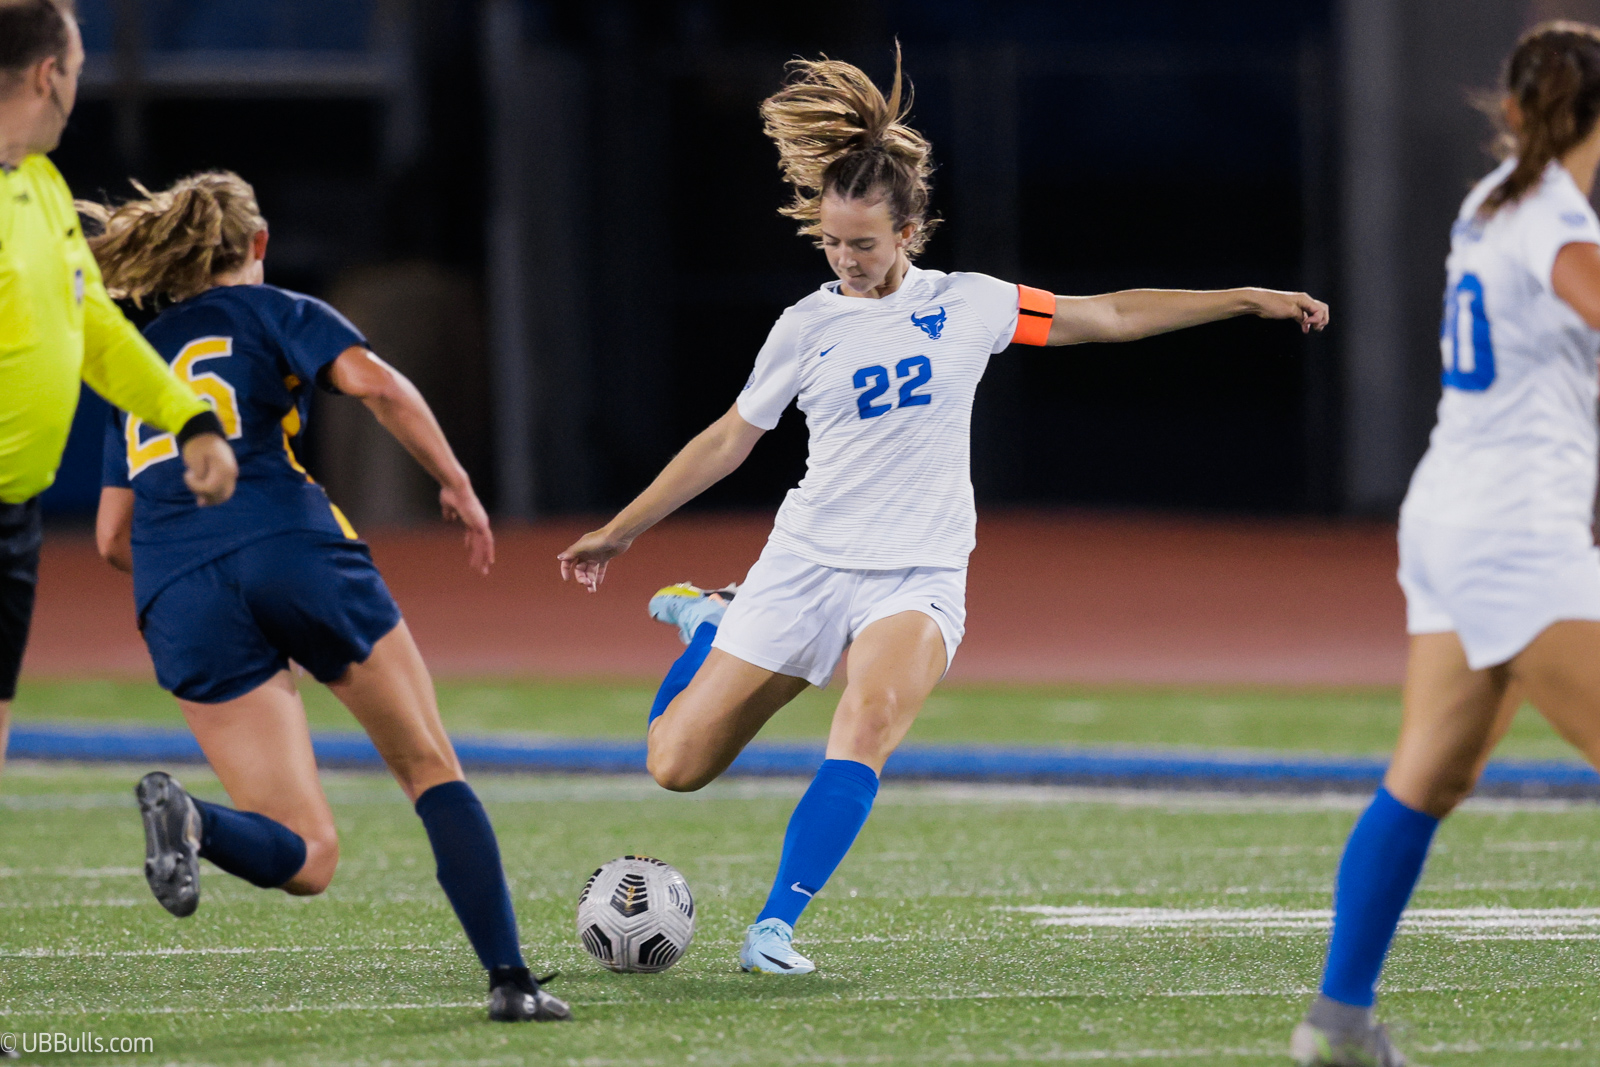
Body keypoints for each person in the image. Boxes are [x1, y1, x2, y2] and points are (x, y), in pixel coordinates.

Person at [558, 48, 1329, 976]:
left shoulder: (973, 307)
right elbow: (730, 438)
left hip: (916, 574)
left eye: (865, 243)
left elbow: (1112, 316)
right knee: (675, 765)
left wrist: (1243, 297)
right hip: (806, 563)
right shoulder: (805, 327)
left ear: (910, 230)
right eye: (833, 243)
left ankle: (775, 926)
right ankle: (706, 627)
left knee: (868, 719)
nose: (846, 259)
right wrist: (625, 526)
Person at [88, 171, 569, 1023]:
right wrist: (454, 481)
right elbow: (377, 384)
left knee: (307, 855)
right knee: (429, 766)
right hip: (290, 544)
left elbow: (110, 538)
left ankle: (192, 817)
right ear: (258, 245)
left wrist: (207, 578)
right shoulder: (278, 310)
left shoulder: (138, 355)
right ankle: (510, 979)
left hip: (177, 589)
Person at [1290, 21, 1600, 1067]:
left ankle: (1336, 1022)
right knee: (1428, 771)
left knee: (1430, 771)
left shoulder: (1490, 202)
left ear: (1513, 109)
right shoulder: (1553, 219)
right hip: (1510, 529)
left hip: (1450, 514)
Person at [0, 0, 236, 776]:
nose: (79, 81)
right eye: (77, 67)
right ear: (47, 75)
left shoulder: (38, 184)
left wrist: (189, 420)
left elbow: (94, 327)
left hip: (15, 512)